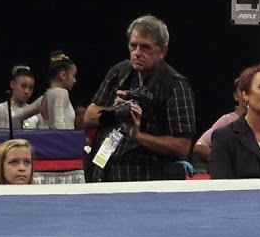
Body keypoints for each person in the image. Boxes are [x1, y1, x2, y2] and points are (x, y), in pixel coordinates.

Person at [83, 15, 197, 182]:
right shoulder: (119, 72)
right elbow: (89, 116)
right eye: (133, 46)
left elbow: (182, 147)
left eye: (145, 47)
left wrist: (138, 136)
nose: (137, 53)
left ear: (162, 51)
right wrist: (116, 111)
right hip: (103, 171)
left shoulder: (175, 85)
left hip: (146, 180)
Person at [193, 68, 249, 162]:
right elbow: (200, 146)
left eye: (249, 91)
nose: (245, 96)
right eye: (242, 91)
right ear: (236, 96)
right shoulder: (227, 120)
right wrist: (225, 161)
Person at [0, 65, 43, 131]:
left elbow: (42, 137)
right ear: (12, 84)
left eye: (30, 88)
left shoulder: (35, 111)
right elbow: (0, 138)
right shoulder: (1, 109)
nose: (27, 91)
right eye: (23, 86)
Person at [39, 51, 77, 130]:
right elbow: (58, 121)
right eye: (73, 76)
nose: (74, 80)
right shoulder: (61, 92)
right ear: (63, 75)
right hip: (64, 140)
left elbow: (18, 116)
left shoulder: (45, 96)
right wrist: (64, 141)